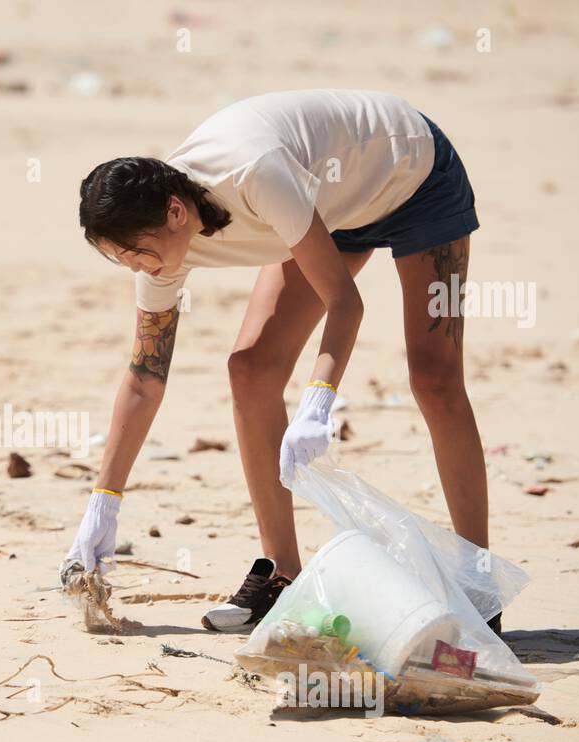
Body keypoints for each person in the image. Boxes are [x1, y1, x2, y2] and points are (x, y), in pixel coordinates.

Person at [62, 89, 501, 635]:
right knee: (250, 369)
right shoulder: (160, 251)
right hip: (326, 205)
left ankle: (479, 586)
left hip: (414, 175)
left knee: (434, 378)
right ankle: (282, 575)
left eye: (137, 254)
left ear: (175, 211)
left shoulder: (254, 173)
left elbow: (346, 304)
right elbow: (145, 378)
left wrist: (318, 402)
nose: (138, 269)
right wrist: (103, 502)